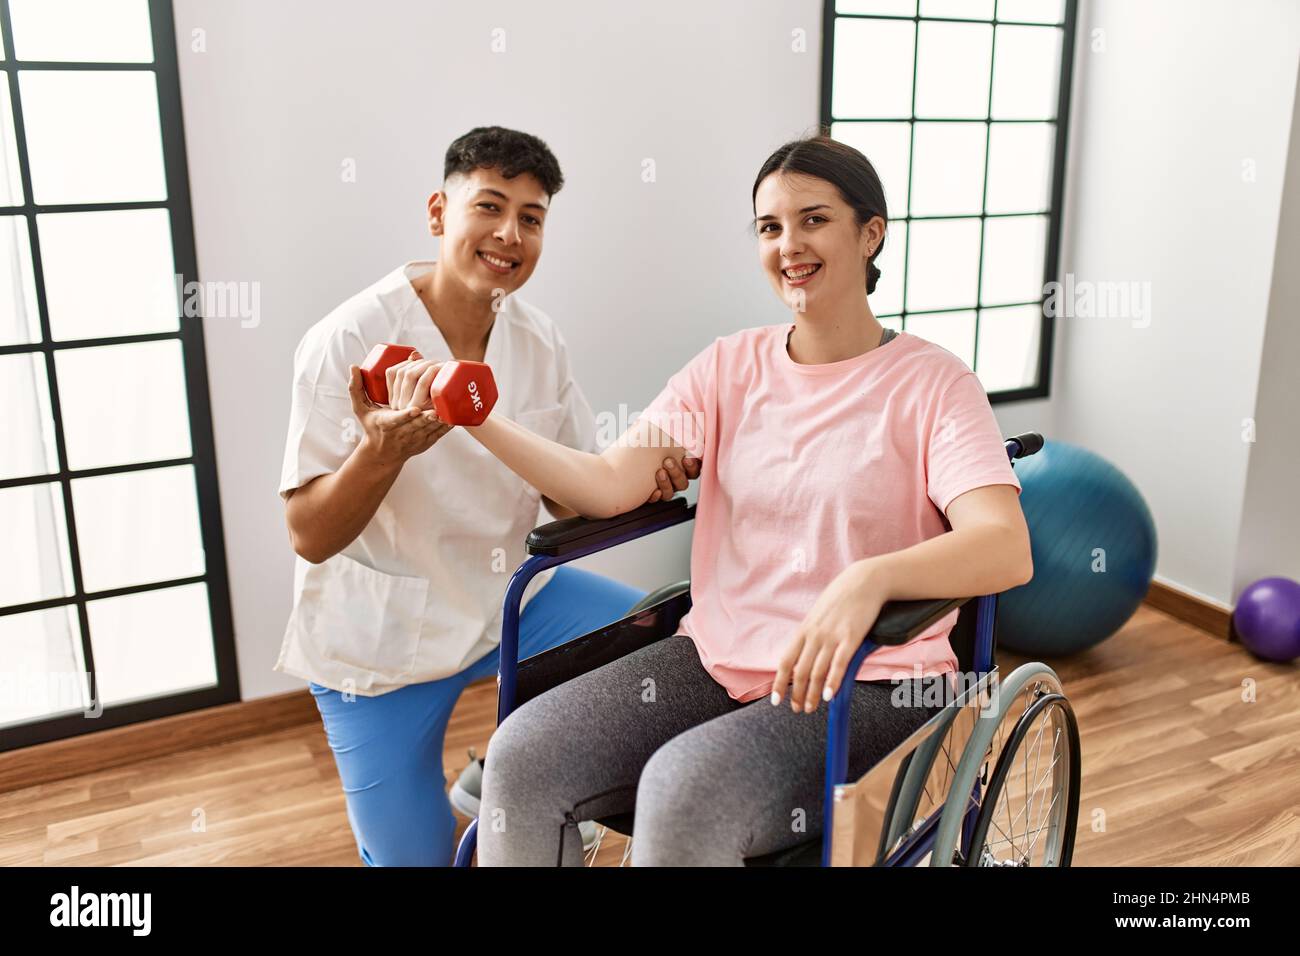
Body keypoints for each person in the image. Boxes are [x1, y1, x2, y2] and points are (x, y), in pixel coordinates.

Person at [439, 133, 1031, 865]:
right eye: (770, 227)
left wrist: (868, 579)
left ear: (871, 232)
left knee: (683, 793)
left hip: (869, 680)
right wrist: (473, 416)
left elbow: (1004, 545)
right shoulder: (728, 366)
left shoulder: (934, 384)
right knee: (522, 756)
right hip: (715, 660)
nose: (789, 245)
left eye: (814, 220)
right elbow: (608, 481)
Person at [275, 126, 698, 867]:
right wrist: (381, 453)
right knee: (419, 862)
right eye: (490, 207)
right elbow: (309, 534)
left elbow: (572, 491)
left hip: (512, 605)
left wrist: (640, 482)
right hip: (383, 641)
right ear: (439, 212)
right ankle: (480, 795)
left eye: (531, 219)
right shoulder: (346, 340)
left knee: (669, 648)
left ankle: (514, 782)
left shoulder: (539, 341)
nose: (510, 234)